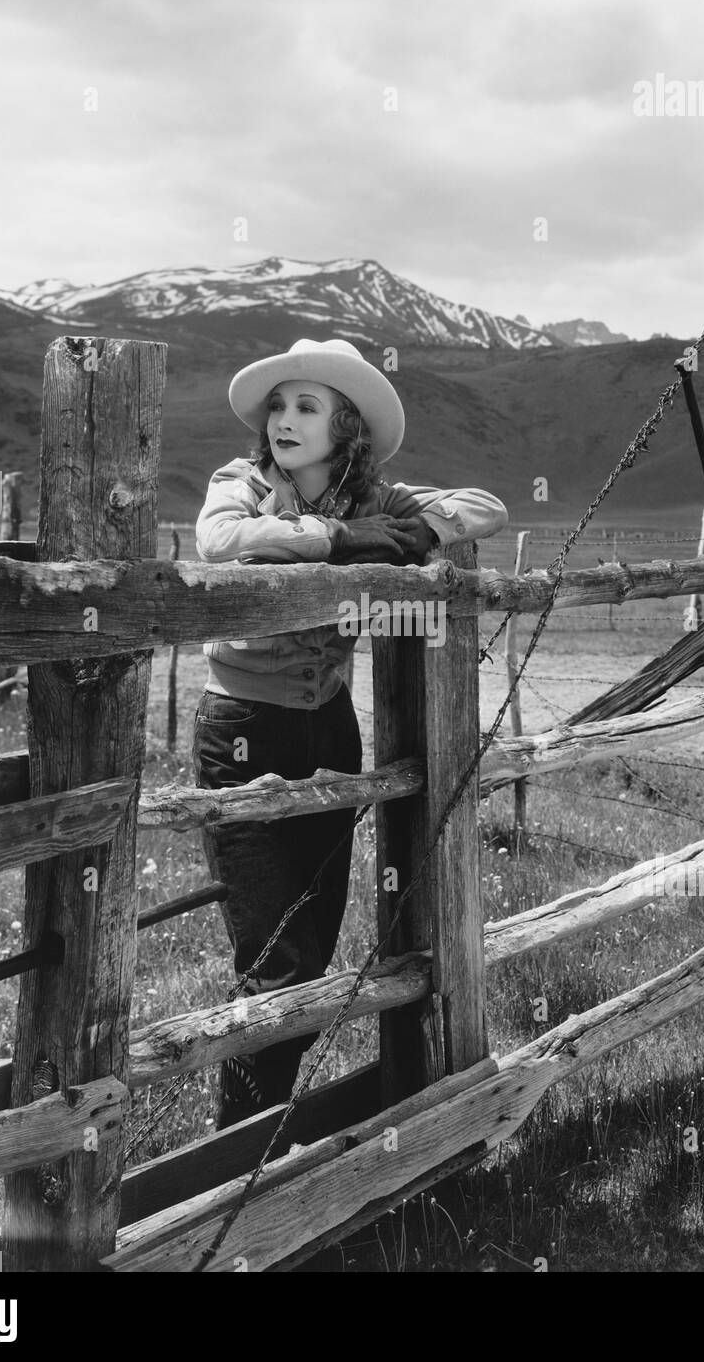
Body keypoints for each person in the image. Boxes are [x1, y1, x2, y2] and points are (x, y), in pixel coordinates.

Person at [193, 337, 508, 1126]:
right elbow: (221, 541)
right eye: (278, 405)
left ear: (347, 428)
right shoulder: (241, 483)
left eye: (308, 407)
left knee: (316, 939)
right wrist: (338, 542)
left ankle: (265, 1138)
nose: (284, 421)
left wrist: (411, 531)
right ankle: (237, 1151)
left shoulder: (370, 497)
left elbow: (484, 507)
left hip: (329, 732)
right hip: (242, 726)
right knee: (276, 954)